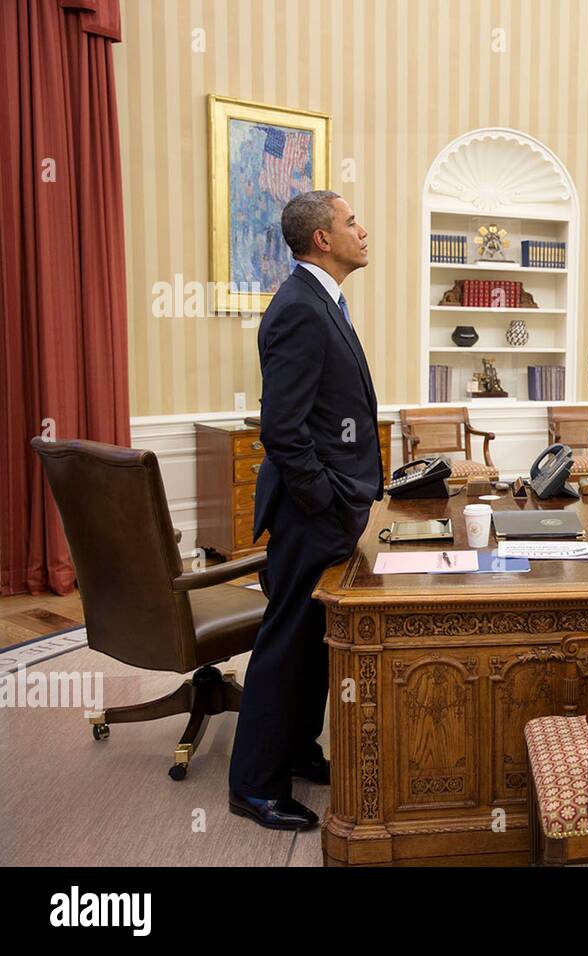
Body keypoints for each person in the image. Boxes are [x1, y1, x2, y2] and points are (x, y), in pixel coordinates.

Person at [228, 190, 382, 830]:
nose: (362, 229)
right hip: (309, 511)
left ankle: (294, 750)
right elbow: (283, 429)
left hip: (330, 506)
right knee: (286, 644)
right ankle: (254, 785)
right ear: (322, 238)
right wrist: (328, 500)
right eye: (351, 222)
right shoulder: (299, 308)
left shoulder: (323, 301)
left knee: (313, 642)